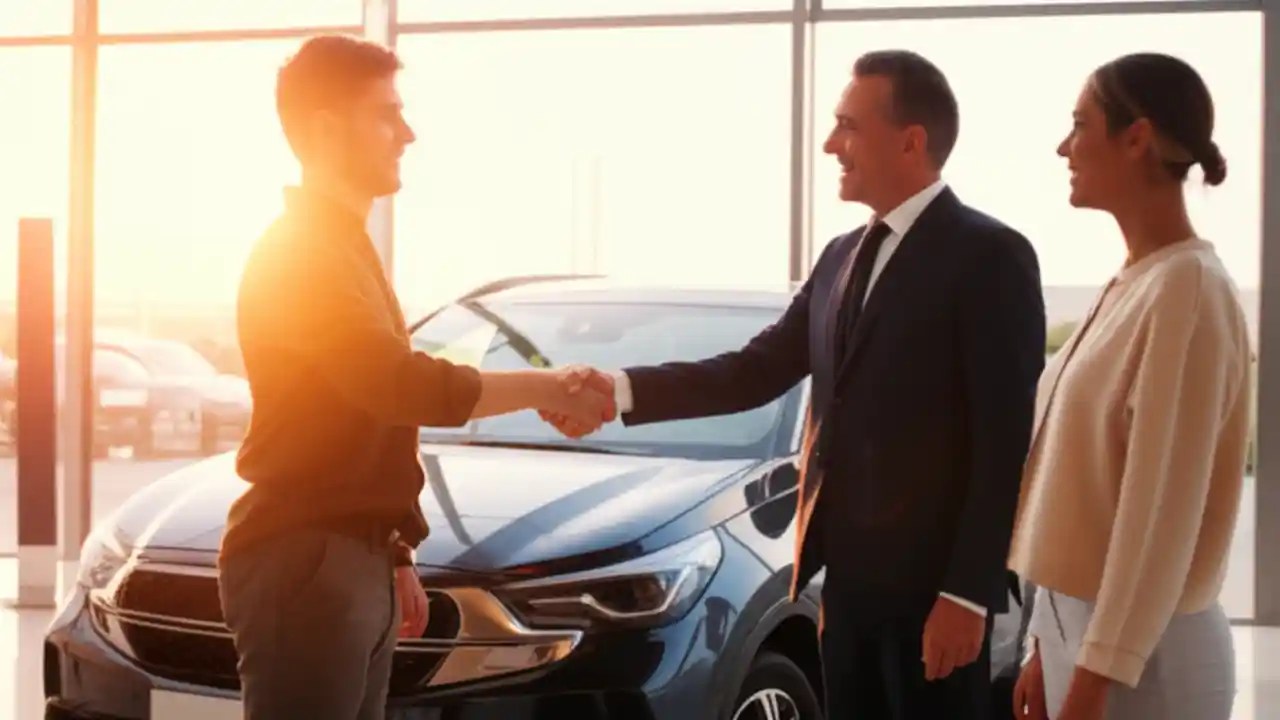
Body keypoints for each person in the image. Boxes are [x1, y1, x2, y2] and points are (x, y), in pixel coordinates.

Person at [544, 49, 1046, 719]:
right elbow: (753, 372)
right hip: (845, 592)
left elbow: (1003, 442)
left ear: (910, 140)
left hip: (935, 602)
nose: (830, 143)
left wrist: (966, 595)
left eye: (848, 126)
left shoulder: (991, 256)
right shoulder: (840, 256)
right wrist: (619, 389)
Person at [216, 34, 614, 720]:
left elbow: (360, 422)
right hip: (308, 557)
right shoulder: (302, 253)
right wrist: (548, 387)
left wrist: (396, 547)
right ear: (325, 127)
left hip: (348, 556)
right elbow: (399, 385)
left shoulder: (342, 246)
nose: (407, 133)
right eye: (386, 114)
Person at [1009, 52, 1251, 720]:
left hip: (1145, 661)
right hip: (1088, 642)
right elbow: (1081, 491)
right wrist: (1042, 645)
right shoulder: (1133, 282)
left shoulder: (1188, 290)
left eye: (1080, 125)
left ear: (1137, 137)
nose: (1065, 147)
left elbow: (1158, 519)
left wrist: (1093, 678)